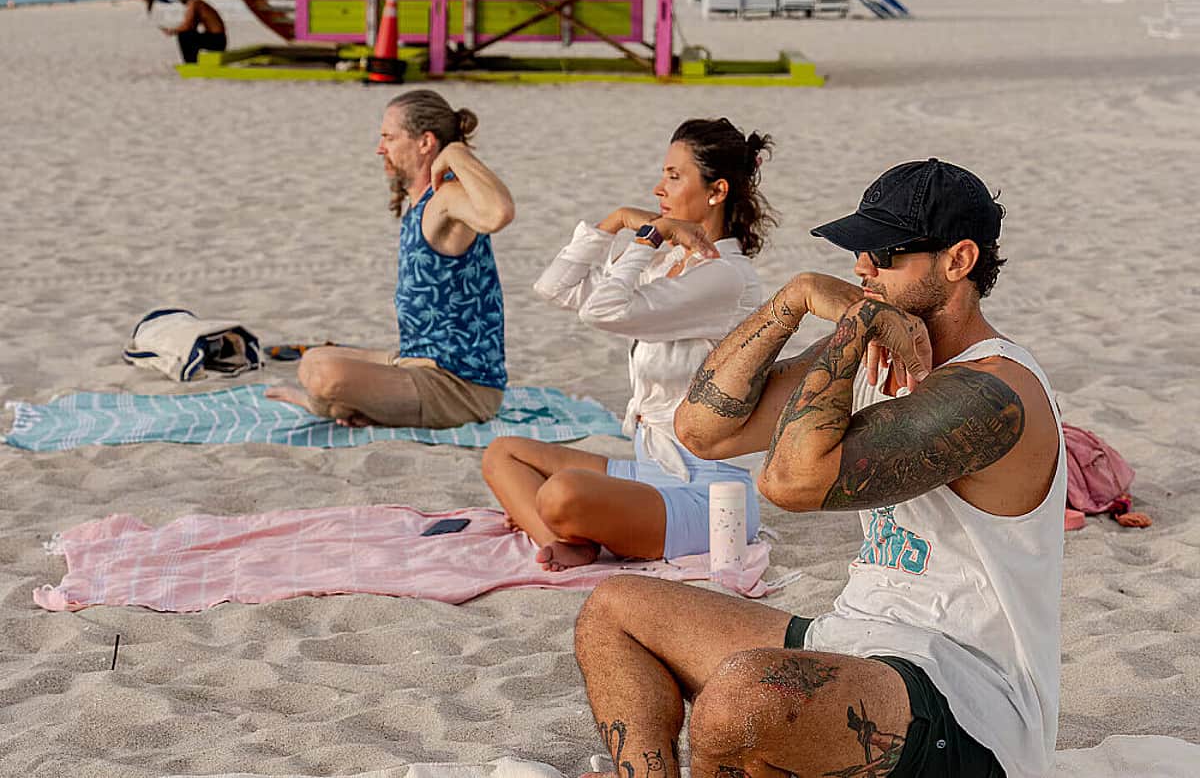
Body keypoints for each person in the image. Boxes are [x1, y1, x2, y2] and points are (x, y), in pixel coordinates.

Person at [574, 159, 1065, 778]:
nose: (861, 268)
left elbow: (792, 482)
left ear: (958, 260)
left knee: (743, 698)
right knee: (613, 610)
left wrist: (854, 330)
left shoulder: (993, 393)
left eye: (883, 253)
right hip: (856, 639)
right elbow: (700, 429)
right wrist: (795, 297)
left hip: (964, 696)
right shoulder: (868, 357)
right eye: (858, 249)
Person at [481, 118, 775, 572]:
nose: (659, 189)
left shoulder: (723, 277)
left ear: (716, 192)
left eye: (674, 177)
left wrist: (649, 235)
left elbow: (603, 310)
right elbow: (555, 288)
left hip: (705, 497)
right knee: (503, 453)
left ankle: (572, 525)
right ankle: (562, 543)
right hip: (646, 471)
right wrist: (616, 220)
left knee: (562, 493)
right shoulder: (670, 261)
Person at [267, 91, 514, 429]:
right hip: (418, 360)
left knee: (326, 376)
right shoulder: (421, 202)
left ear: (425, 142)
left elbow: (499, 212)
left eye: (389, 137)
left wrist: (456, 153)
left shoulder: (446, 197)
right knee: (314, 359)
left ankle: (333, 407)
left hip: (459, 388)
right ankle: (354, 404)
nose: (379, 148)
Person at [159, 0, 226, 64]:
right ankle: (192, 61)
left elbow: (187, 26)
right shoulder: (198, 2)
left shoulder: (194, 3)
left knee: (183, 35)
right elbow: (191, 26)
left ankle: (191, 63)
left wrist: (172, 31)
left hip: (217, 41)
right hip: (220, 40)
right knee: (189, 35)